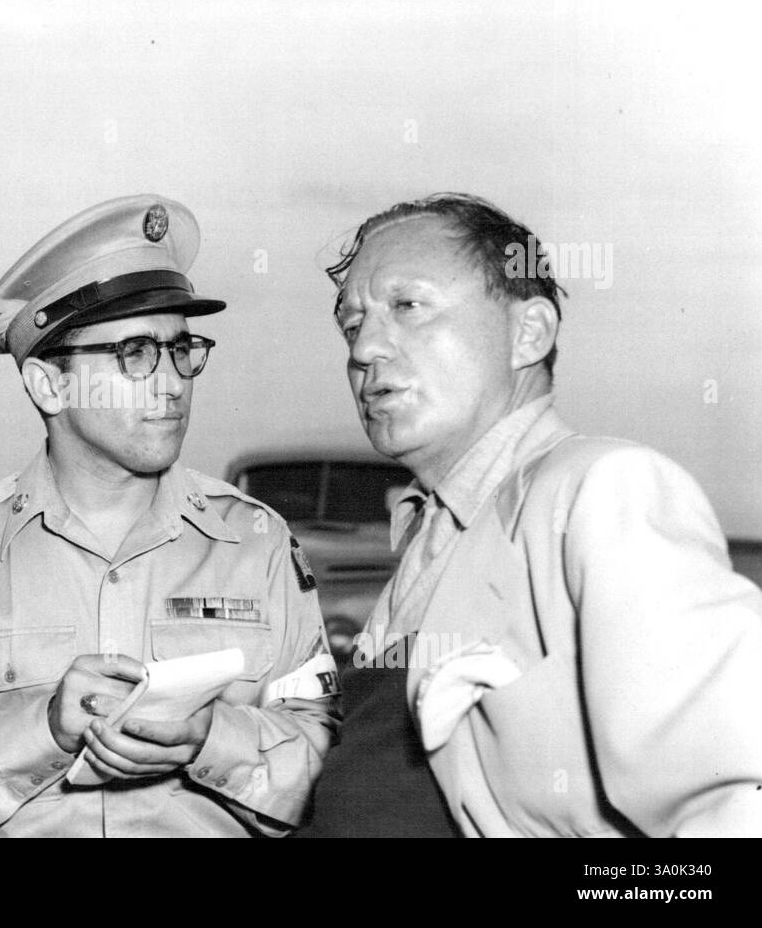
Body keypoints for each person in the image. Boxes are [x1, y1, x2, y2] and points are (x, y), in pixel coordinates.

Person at [322, 192, 762, 836]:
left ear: (529, 333)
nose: (364, 350)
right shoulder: (434, 532)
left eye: (407, 305)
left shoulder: (601, 491)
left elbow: (731, 807)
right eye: (353, 323)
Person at [0, 195, 339, 837]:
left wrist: (212, 739)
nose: (170, 382)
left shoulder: (260, 544)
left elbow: (328, 768)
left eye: (181, 350)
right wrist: (46, 730)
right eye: (134, 354)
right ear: (49, 385)